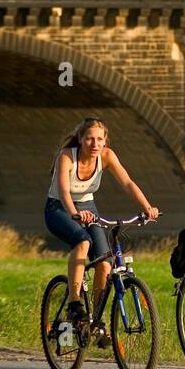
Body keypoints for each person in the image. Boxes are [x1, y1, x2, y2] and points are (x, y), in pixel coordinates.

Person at [44, 117, 159, 332]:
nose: (95, 144)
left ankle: (95, 318)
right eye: (89, 139)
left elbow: (127, 182)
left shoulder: (107, 156)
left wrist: (147, 207)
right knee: (83, 242)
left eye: (99, 139)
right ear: (80, 139)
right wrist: (75, 214)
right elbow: (64, 192)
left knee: (104, 262)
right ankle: (75, 304)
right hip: (59, 207)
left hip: (88, 206)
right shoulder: (67, 157)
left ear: (105, 141)